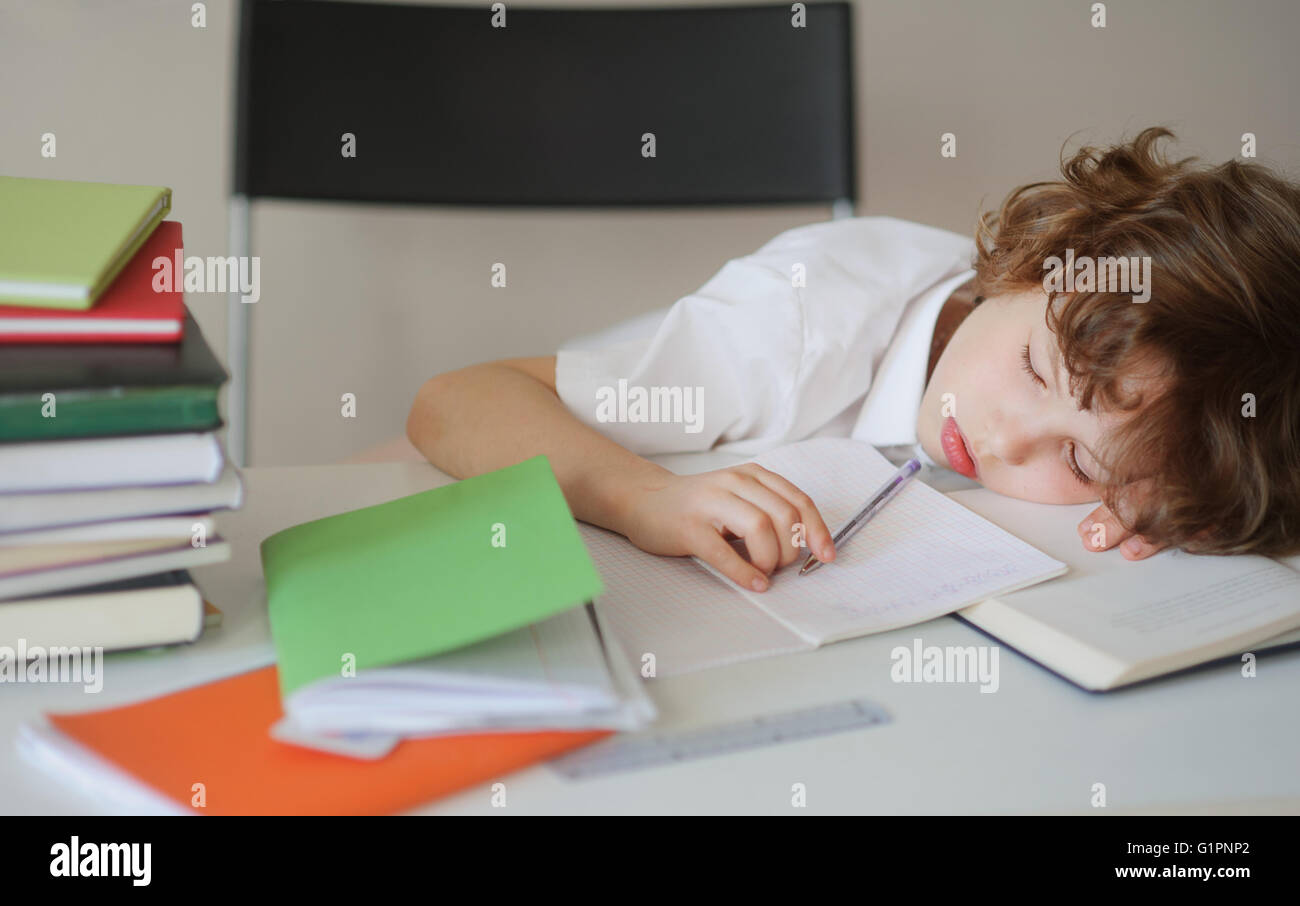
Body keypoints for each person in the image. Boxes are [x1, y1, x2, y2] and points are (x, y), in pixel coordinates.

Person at [407, 127, 1300, 592]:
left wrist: (1182, 503)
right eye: (1034, 370)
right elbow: (453, 398)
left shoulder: (1090, 342)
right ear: (1039, 258)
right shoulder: (796, 327)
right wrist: (641, 496)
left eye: (1079, 461)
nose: (1001, 440)